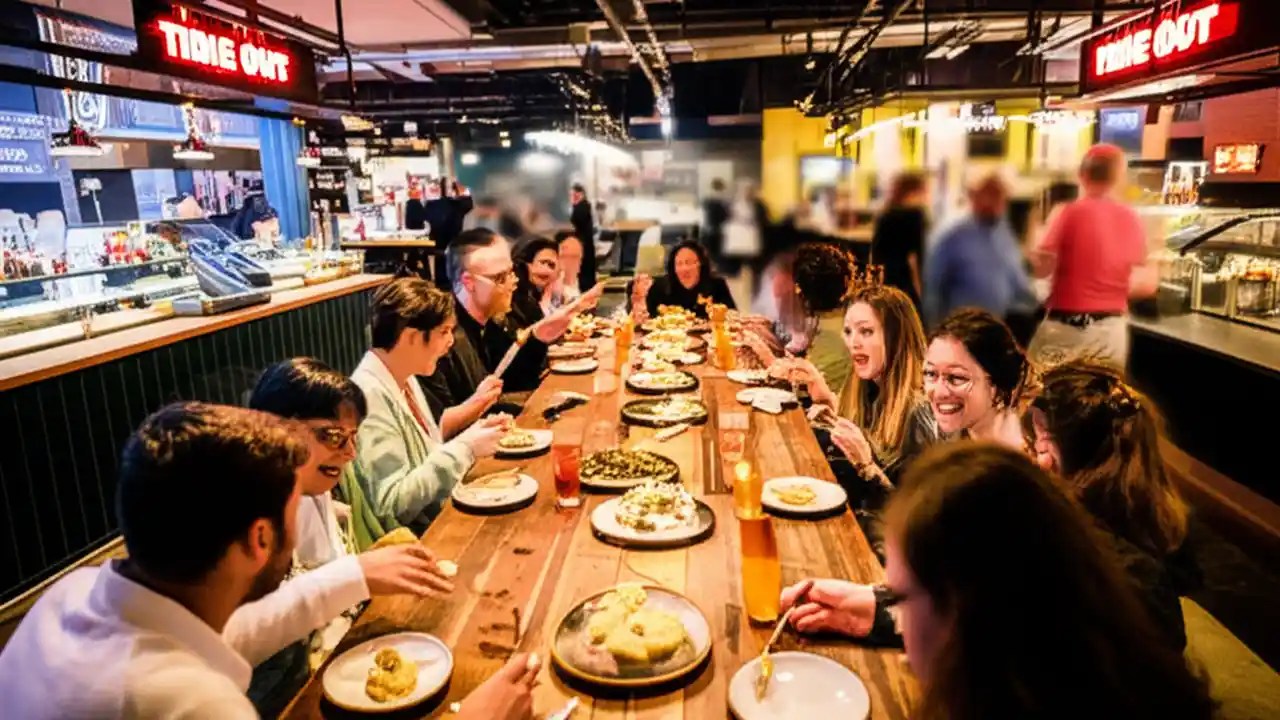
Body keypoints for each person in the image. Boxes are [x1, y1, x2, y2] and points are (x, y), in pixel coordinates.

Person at [0, 402, 538, 719]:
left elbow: (235, 631)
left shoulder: (71, 595)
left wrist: (356, 573)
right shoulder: (188, 701)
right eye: (294, 507)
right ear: (261, 537)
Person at [780, 443, 1214, 720]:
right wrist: (873, 606)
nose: (902, 617)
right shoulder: (1080, 655)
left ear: (975, 620)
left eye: (906, 598)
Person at [245, 359, 456, 714]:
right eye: (331, 435)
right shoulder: (241, 514)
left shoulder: (311, 486)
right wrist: (355, 575)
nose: (350, 452)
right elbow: (237, 638)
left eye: (353, 436)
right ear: (274, 429)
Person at [1030, 361, 1200, 648]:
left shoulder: (1113, 569)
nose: (1037, 457)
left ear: (1079, 452)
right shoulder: (1148, 509)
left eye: (1044, 442)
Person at [766, 285, 937, 557]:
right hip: (852, 523)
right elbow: (867, 438)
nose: (853, 342)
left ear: (896, 336)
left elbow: (922, 526)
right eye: (849, 331)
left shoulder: (922, 412)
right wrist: (830, 410)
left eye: (866, 331)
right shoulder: (867, 387)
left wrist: (868, 468)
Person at [349, 277, 509, 534]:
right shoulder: (368, 396)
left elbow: (430, 454)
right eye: (444, 332)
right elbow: (392, 505)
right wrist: (466, 448)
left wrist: (475, 434)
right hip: (417, 541)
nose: (451, 341)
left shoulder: (406, 377)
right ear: (411, 337)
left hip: (443, 516)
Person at [420, 228, 592, 419]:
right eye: (501, 277)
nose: (513, 282)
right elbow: (439, 427)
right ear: (469, 282)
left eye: (511, 272)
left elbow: (510, 382)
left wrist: (538, 338)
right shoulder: (443, 336)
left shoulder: (488, 324)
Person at [1028, 144, 1158, 371]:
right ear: (1119, 177)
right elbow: (1147, 284)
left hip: (1066, 330)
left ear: (1082, 175)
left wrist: (1034, 235)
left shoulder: (1067, 213)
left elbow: (1041, 269)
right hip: (1110, 333)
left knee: (1036, 395)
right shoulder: (1131, 218)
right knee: (1104, 400)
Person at [923, 172, 1036, 329]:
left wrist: (1035, 304)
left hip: (996, 326)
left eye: (1002, 196)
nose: (999, 202)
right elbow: (934, 286)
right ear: (973, 196)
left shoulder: (1002, 231)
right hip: (960, 329)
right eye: (992, 194)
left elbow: (1016, 278)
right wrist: (934, 331)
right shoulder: (952, 233)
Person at [924, 308, 1030, 449]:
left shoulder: (1029, 455)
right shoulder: (943, 448)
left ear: (994, 386)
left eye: (956, 377)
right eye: (931, 374)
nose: (939, 392)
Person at [631, 240, 735, 321]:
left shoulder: (718, 285)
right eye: (679, 264)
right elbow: (641, 321)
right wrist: (638, 299)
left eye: (689, 262)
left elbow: (733, 318)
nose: (684, 269)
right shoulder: (659, 287)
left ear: (701, 264)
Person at [871, 172, 928, 310]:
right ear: (913, 192)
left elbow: (875, 252)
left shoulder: (885, 215)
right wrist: (923, 290)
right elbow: (917, 258)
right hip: (905, 280)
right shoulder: (915, 216)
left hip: (886, 279)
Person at [425, 178, 475, 287]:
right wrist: (460, 189)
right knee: (453, 280)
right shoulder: (458, 205)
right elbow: (469, 202)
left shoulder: (431, 205)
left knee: (440, 280)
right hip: (453, 246)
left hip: (437, 247)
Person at [509, 236, 561, 328]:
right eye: (543, 262)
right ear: (523, 262)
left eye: (551, 265)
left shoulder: (534, 295)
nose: (547, 271)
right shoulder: (508, 297)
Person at [569, 183, 597, 291]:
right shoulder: (583, 205)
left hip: (583, 241)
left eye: (575, 194)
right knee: (586, 266)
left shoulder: (582, 206)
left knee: (584, 266)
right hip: (585, 240)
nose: (573, 196)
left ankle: (587, 289)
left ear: (581, 194)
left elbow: (577, 221)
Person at [700, 178, 730, 266]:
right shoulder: (722, 202)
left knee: (711, 256)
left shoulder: (707, 201)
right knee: (718, 256)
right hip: (718, 232)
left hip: (709, 231)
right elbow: (724, 217)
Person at [555, 233, 585, 307]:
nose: (569, 262)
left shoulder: (584, 283)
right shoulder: (549, 286)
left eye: (574, 257)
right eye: (564, 256)